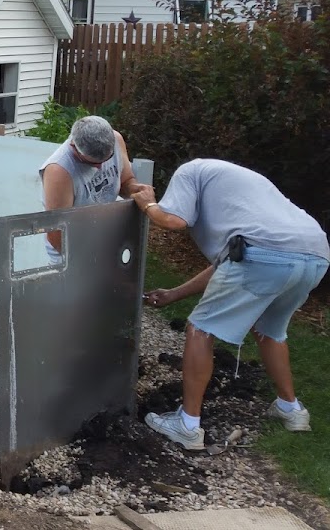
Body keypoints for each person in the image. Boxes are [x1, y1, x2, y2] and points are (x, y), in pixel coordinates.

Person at [131, 159, 328, 449]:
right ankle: (292, 410)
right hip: (315, 255)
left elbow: (173, 220)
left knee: (200, 328)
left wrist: (147, 204)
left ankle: (187, 425)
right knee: (270, 330)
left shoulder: (191, 171)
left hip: (265, 254)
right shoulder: (246, 186)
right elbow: (232, 264)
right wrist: (174, 294)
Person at [39, 116, 145, 262]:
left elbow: (126, 179)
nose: (99, 167)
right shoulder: (59, 171)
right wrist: (89, 260)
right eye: (91, 163)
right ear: (73, 147)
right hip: (71, 254)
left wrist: (137, 191)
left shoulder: (116, 140)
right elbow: (56, 234)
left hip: (103, 241)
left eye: (106, 160)